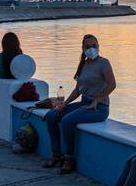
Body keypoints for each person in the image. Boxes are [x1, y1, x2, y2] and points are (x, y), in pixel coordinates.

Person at [41, 34, 116, 174]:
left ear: (98, 46)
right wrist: (64, 103)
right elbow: (78, 90)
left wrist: (97, 100)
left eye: (94, 45)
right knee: (52, 115)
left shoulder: (104, 63)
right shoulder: (84, 65)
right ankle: (56, 154)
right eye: (88, 46)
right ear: (83, 49)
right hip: (84, 104)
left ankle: (69, 158)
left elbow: (112, 84)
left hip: (99, 108)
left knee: (67, 120)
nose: (91, 49)